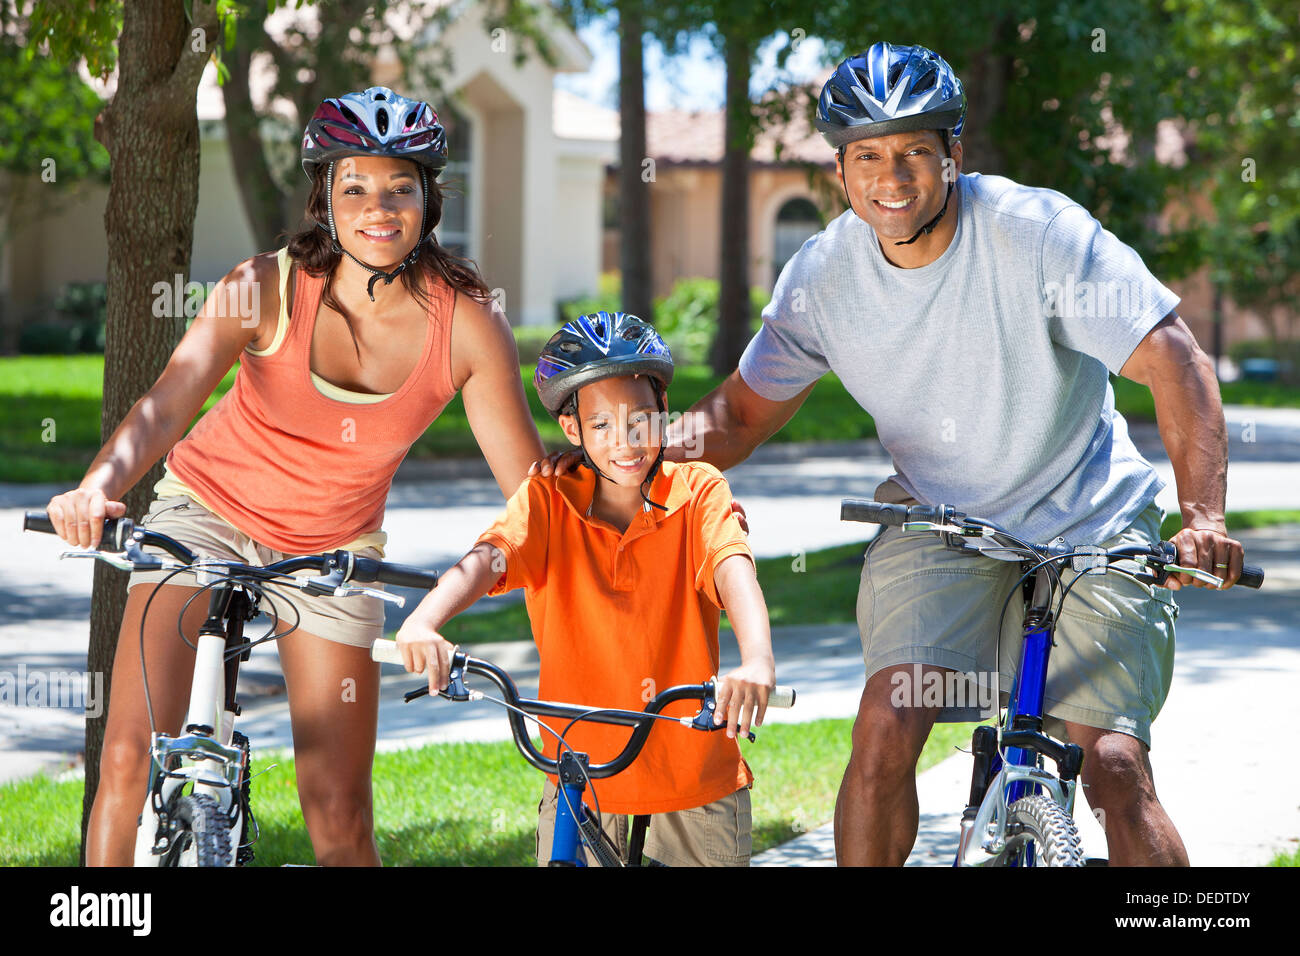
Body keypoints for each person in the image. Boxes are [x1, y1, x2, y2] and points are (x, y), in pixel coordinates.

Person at [539, 41, 1247, 866]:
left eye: (915, 150)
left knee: (1116, 768)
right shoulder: (825, 277)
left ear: (954, 155)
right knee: (885, 725)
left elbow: (1174, 357)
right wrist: (624, 453)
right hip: (939, 523)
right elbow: (737, 414)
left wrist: (1203, 517)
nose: (893, 176)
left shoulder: (1038, 233)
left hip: (1093, 519)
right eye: (868, 155)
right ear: (840, 171)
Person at [45, 87, 546, 866]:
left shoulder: (468, 324)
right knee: (126, 759)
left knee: (339, 808)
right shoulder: (264, 285)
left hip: (333, 547)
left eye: (399, 188)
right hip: (204, 513)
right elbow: (168, 401)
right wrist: (96, 484)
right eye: (355, 188)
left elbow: (531, 495)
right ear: (325, 198)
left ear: (429, 198)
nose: (378, 209)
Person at [395, 311, 777, 866]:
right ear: (572, 430)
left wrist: (758, 660)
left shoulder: (697, 490)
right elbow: (489, 556)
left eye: (641, 421)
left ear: (664, 413)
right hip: (578, 782)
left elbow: (731, 564)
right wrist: (424, 621)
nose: (625, 442)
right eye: (601, 427)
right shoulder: (547, 499)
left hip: (693, 781)